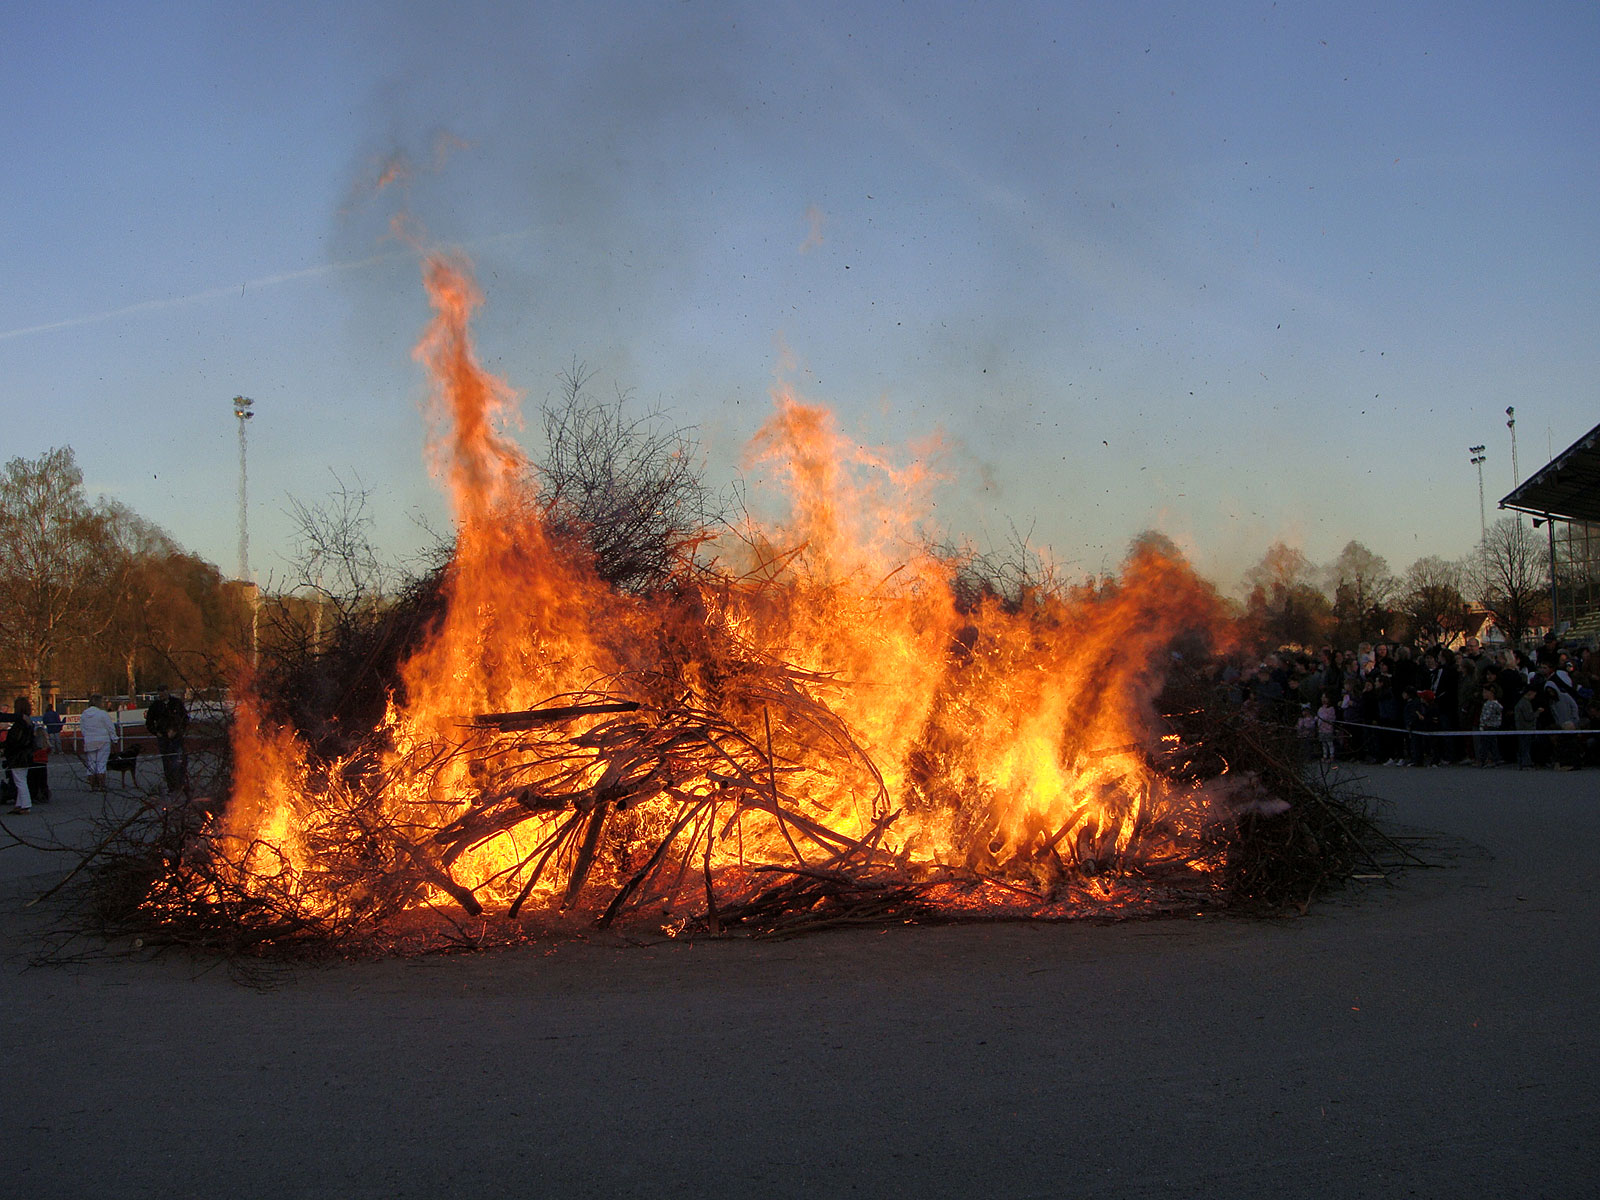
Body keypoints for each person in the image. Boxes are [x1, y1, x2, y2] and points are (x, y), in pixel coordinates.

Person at [145, 686, 190, 798]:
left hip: (176, 736)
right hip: (163, 738)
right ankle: (171, 785)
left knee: (179, 760)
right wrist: (157, 732)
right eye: (160, 693)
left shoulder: (176, 703)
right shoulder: (155, 706)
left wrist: (177, 731)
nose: (162, 695)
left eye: (163, 692)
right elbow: (149, 722)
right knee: (167, 761)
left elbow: (184, 718)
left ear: (167, 692)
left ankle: (181, 783)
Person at [4, 697, 36, 813]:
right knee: (20, 779)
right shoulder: (28, 722)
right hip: (25, 755)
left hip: (18, 755)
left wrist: (4, 745)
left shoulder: (19, 724)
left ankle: (25, 805)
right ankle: (20, 804)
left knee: (20, 781)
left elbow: (15, 741)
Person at [79, 693, 116, 791]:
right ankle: (101, 785)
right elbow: (110, 727)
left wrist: (87, 736)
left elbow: (82, 728)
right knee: (101, 764)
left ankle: (92, 785)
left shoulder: (84, 714)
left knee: (91, 764)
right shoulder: (102, 714)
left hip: (89, 740)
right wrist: (114, 738)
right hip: (103, 740)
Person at [1475, 684, 1503, 768]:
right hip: (1488, 727)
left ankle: (1489, 760)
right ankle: (1489, 760)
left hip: (1489, 727)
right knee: (1489, 744)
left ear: (1491, 693)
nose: (1483, 694)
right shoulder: (1489, 704)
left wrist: (1482, 724)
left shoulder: (1491, 705)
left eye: (1485, 692)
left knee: (1488, 744)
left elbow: (1486, 717)